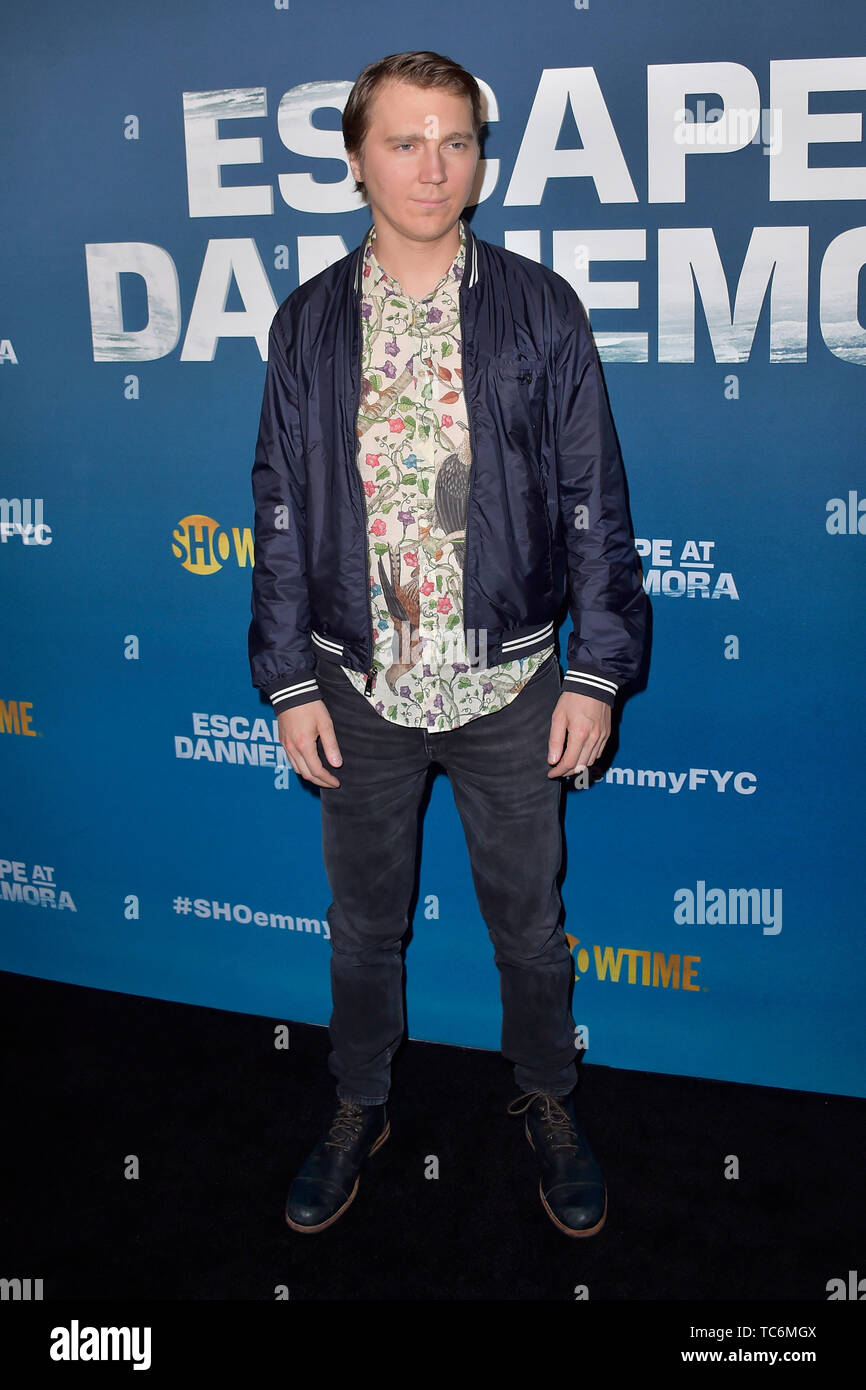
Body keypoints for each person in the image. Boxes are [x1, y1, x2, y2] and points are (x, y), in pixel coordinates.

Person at [248, 50, 648, 1237]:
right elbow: (277, 509)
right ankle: (358, 1100)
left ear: (480, 156)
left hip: (515, 684)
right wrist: (283, 677)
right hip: (354, 686)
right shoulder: (309, 319)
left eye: (456, 140)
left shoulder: (538, 308)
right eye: (405, 141)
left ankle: (545, 1093)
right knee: (363, 926)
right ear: (356, 159)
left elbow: (593, 498)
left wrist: (596, 667)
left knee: (528, 926)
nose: (434, 166)